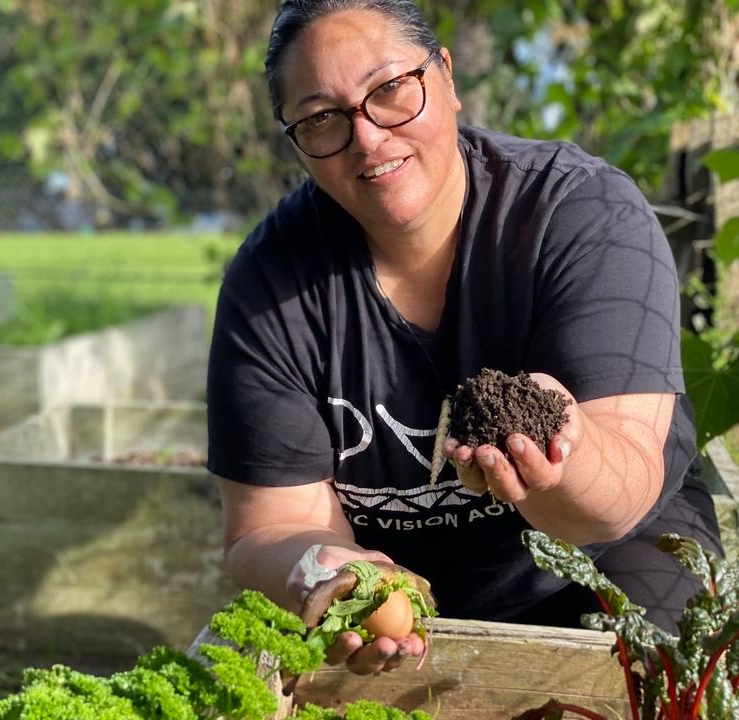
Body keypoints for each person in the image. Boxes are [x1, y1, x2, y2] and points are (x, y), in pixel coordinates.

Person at [206, 0, 724, 676]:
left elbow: (616, 496)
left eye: (390, 90)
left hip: (614, 559)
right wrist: (334, 572)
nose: (366, 137)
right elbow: (266, 526)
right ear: (296, 138)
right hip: (411, 594)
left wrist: (558, 450)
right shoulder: (270, 284)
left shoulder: (582, 216)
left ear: (446, 78)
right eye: (323, 117)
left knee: (662, 676)